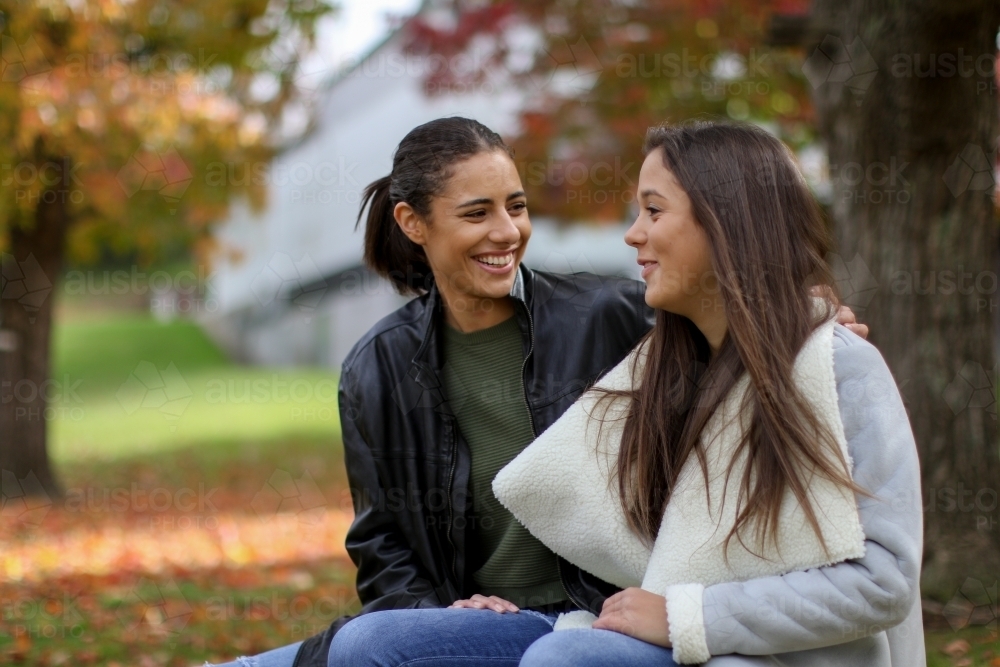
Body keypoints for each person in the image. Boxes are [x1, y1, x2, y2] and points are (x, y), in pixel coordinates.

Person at [200, 117, 868, 667]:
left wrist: (805, 311)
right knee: (301, 656)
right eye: (477, 212)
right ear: (412, 222)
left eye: (516, 206)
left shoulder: (608, 314)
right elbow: (382, 543)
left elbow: (721, 314)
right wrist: (445, 612)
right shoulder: (376, 367)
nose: (507, 231)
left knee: (367, 650)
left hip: (606, 609)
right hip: (490, 625)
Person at [493, 120, 924, 666]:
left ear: (727, 222)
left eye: (653, 210)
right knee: (375, 645)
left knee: (565, 659)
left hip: (772, 656)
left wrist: (687, 617)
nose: (632, 233)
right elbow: (627, 540)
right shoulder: (667, 371)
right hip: (675, 640)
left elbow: (883, 583)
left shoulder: (843, 368)